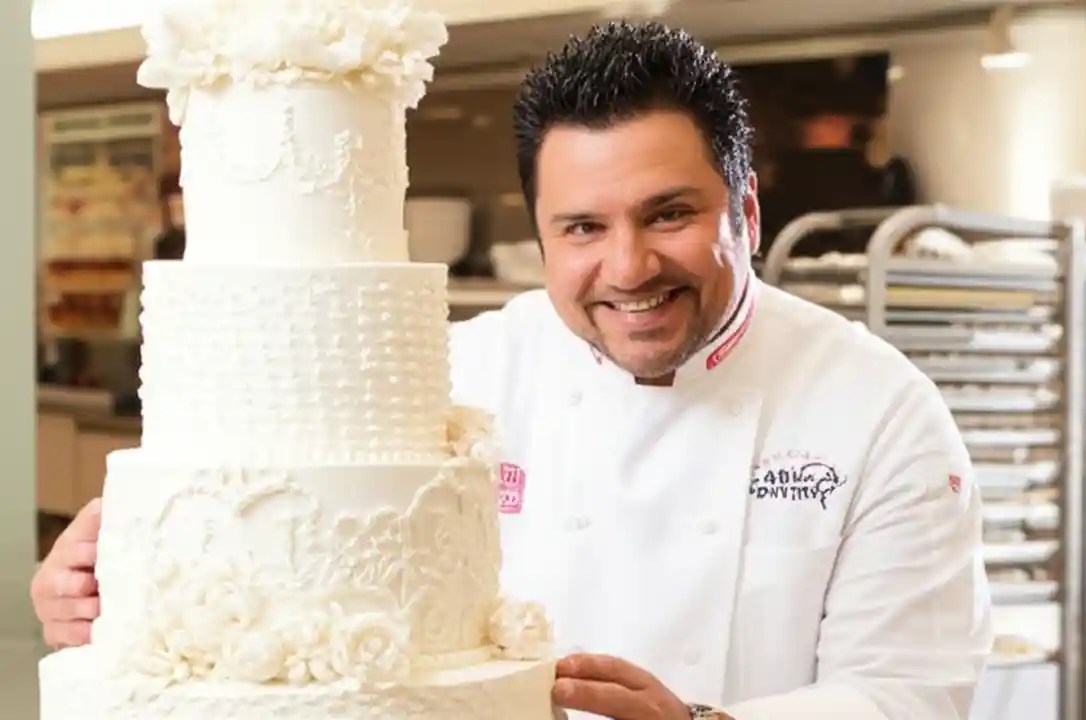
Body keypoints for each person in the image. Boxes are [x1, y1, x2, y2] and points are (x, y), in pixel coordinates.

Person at [31, 21, 992, 720]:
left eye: (668, 214)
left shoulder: (880, 410)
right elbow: (294, 551)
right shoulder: (450, 372)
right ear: (540, 236)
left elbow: (909, 689)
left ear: (744, 212)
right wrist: (126, 578)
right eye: (583, 228)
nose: (626, 269)